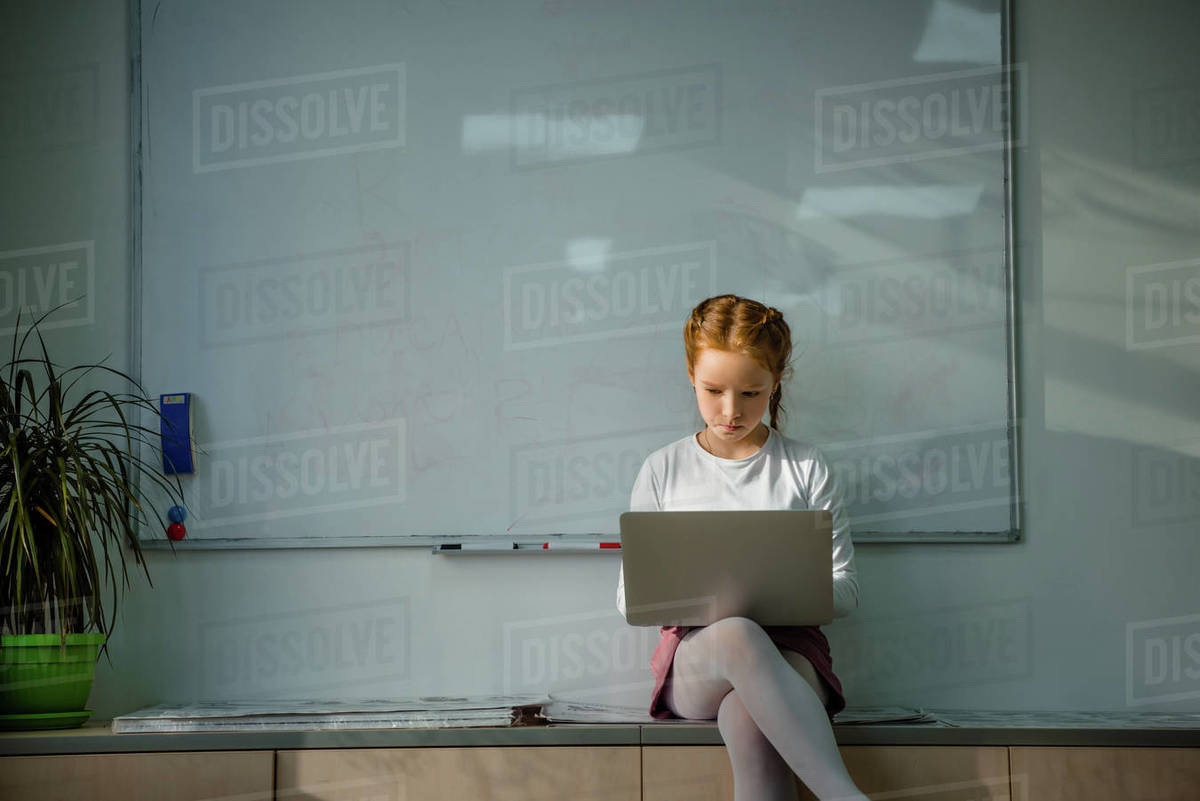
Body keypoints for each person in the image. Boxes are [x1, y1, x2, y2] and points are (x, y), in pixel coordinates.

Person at [616, 294, 868, 801]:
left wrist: (776, 596)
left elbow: (849, 591)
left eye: (752, 393)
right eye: (713, 390)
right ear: (690, 374)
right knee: (735, 634)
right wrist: (733, 611)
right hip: (697, 660)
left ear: (777, 383)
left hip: (792, 652)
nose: (731, 412)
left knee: (749, 717)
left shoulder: (806, 466)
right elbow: (631, 601)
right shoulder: (662, 469)